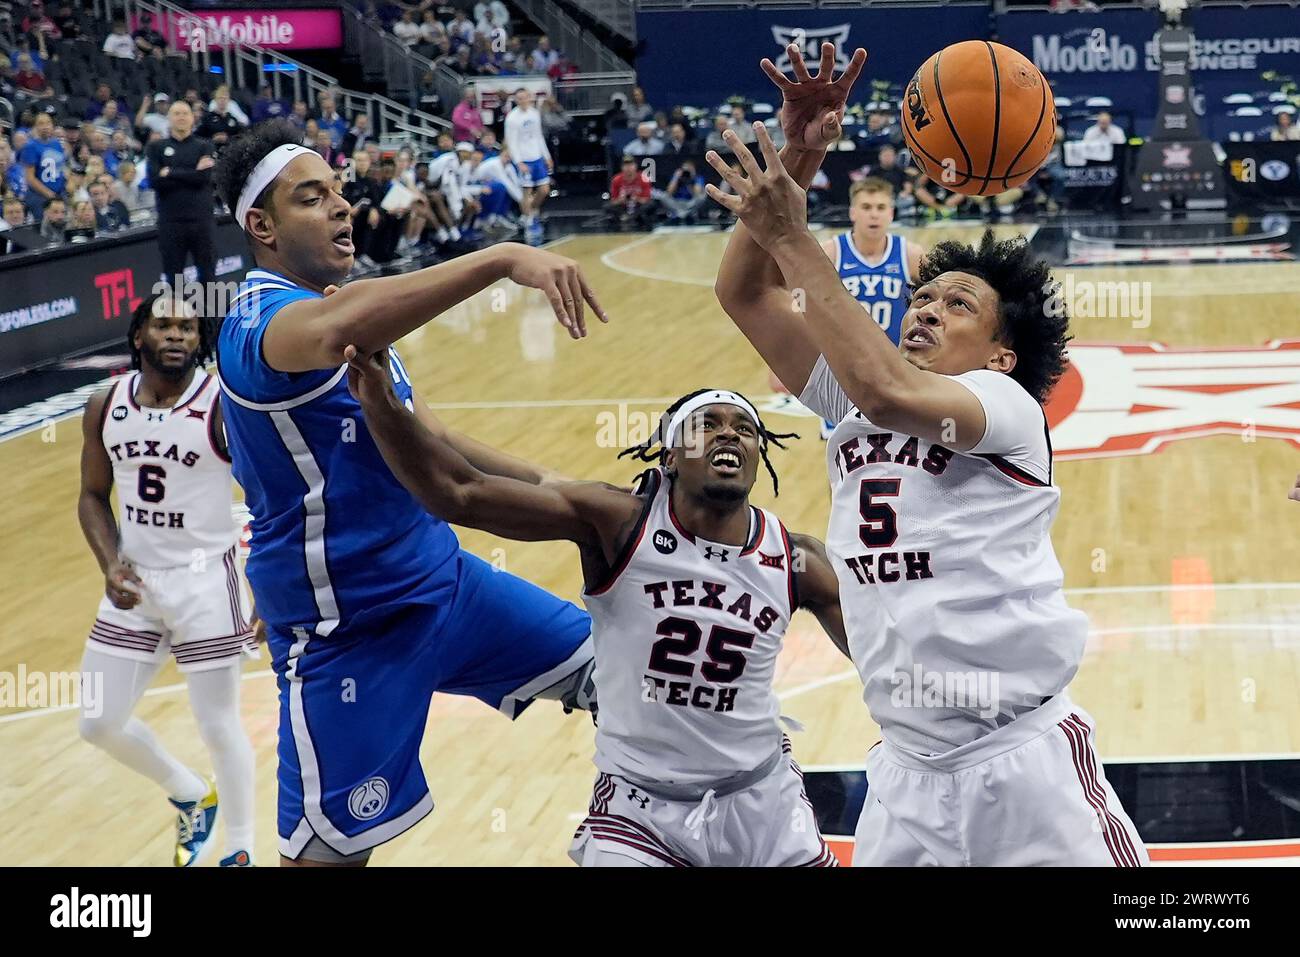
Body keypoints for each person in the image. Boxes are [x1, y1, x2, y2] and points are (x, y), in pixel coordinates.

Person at [710, 42, 1148, 867]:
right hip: (906, 775)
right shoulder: (855, 397)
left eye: (957, 304)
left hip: (1023, 766)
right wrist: (803, 147)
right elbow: (743, 293)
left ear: (1001, 353)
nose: (925, 311)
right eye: (921, 299)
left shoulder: (1003, 407)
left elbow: (887, 394)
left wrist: (798, 239)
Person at [210, 120, 608, 866]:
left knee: (621, 675)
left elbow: (439, 441)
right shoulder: (253, 323)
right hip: (350, 627)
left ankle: (651, 832)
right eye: (311, 198)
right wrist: (501, 257)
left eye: (338, 192)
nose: (340, 207)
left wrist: (560, 486)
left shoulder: (339, 311)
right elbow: (333, 327)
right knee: (329, 858)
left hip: (446, 582)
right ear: (261, 226)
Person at [346, 362, 846, 866]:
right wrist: (381, 405)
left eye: (744, 428)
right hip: (640, 813)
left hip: (765, 804)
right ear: (671, 454)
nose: (729, 435)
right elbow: (461, 494)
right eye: (708, 424)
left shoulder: (797, 560)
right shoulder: (619, 524)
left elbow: (882, 655)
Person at [76, 293, 258, 868]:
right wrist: (110, 563)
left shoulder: (223, 405)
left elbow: (273, 499)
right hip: (136, 582)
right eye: (164, 325)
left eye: (187, 326)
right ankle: (188, 792)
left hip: (207, 580)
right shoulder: (105, 404)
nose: (177, 335)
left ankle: (241, 848)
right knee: (98, 722)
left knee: (218, 722)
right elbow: (90, 496)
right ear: (138, 337)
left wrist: (271, 590)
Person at [146, 100, 216, 290]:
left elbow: (204, 178)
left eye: (185, 113)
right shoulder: (155, 148)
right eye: (176, 113)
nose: (181, 117)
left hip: (201, 220)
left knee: (208, 275)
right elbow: (154, 181)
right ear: (169, 119)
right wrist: (193, 171)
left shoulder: (205, 146)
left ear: (193, 118)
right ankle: (178, 318)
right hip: (171, 222)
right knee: (173, 277)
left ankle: (212, 319)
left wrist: (170, 172)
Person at [504, 87, 552, 245]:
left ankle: (529, 214)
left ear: (529, 98)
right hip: (523, 159)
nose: (523, 100)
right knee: (527, 192)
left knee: (544, 190)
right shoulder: (512, 118)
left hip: (537, 157)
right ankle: (530, 223)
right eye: (520, 98)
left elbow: (538, 136)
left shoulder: (534, 113)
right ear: (516, 100)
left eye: (525, 97)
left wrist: (547, 156)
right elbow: (511, 142)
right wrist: (519, 162)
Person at [18, 111, 65, 218]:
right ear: (35, 127)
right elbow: (30, 178)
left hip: (58, 193)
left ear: (53, 125)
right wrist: (50, 195)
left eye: (48, 123)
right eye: (41, 123)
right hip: (39, 196)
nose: (45, 127)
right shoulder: (30, 146)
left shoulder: (57, 144)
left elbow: (61, 169)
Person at [607, 155, 653, 226]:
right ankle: (625, 216)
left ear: (635, 166)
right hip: (623, 206)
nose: (628, 168)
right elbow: (613, 201)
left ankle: (632, 217)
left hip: (638, 205)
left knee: (651, 205)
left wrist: (636, 198)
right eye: (626, 165)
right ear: (622, 167)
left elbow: (647, 199)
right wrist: (620, 199)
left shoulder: (644, 178)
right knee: (607, 206)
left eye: (631, 165)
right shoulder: (616, 179)